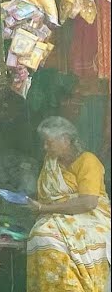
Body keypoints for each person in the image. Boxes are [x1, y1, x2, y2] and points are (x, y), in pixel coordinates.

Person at [27, 116, 111, 292]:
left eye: (48, 142)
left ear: (65, 140)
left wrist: (44, 208)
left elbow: (88, 203)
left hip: (91, 216)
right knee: (40, 235)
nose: (45, 147)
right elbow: (48, 195)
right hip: (55, 216)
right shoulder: (51, 163)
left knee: (47, 236)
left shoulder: (88, 161)